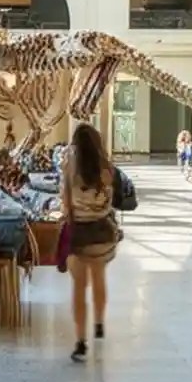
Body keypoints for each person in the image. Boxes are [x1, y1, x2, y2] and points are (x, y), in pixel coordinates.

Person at [61, 123, 118, 362]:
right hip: (103, 233)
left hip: (80, 235)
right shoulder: (107, 169)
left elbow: (66, 201)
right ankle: (99, 323)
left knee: (78, 287)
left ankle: (80, 341)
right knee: (99, 278)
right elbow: (110, 202)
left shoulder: (70, 166)